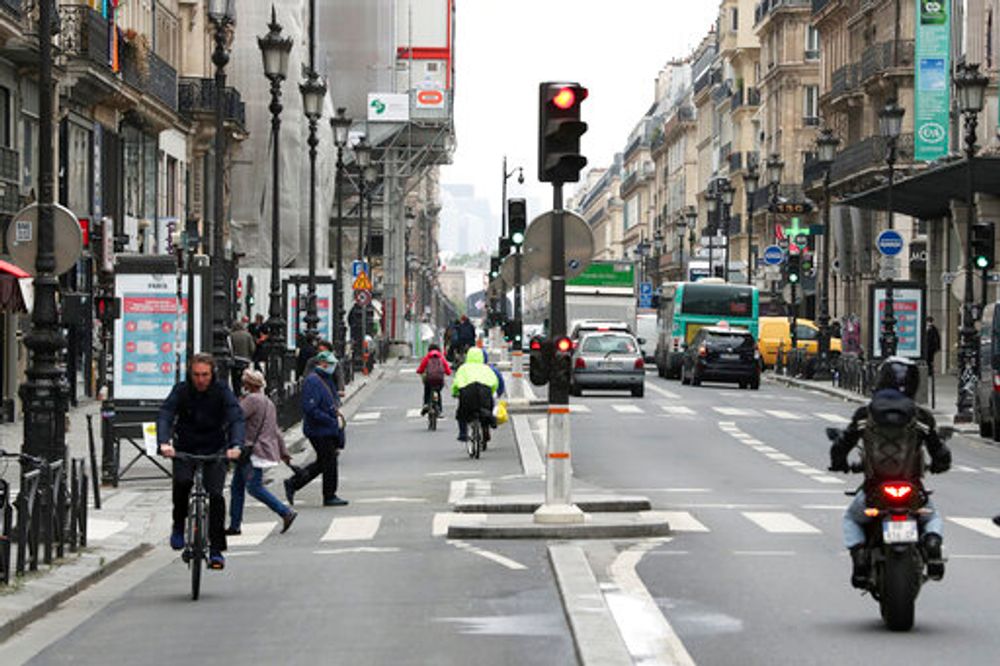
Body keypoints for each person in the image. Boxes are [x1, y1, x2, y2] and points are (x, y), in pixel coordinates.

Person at [828, 356, 952, 588]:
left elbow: (842, 445)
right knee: (931, 516)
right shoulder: (921, 417)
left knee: (852, 518)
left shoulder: (866, 414)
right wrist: (940, 464)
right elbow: (940, 452)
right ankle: (932, 543)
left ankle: (859, 557)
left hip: (874, 490)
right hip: (911, 489)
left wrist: (839, 463)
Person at [157, 353, 245, 571]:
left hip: (215, 448)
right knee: (182, 483)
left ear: (212, 374)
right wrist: (164, 442)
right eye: (196, 375)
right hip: (186, 448)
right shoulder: (181, 390)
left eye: (205, 375)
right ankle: (179, 525)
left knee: (215, 496)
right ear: (190, 374)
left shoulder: (222, 391)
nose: (200, 380)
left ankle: (216, 549)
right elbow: (166, 414)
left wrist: (236, 445)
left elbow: (236, 417)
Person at [227, 369, 297, 536]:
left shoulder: (251, 400)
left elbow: (235, 417)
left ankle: (285, 512)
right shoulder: (268, 402)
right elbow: (275, 430)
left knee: (254, 487)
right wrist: (283, 452)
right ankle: (234, 525)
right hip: (259, 449)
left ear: (248, 385)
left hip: (252, 450)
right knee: (237, 487)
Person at [284, 351, 348, 507]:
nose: (333, 367)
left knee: (324, 462)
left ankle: (294, 483)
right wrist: (330, 420)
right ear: (323, 364)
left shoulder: (325, 378)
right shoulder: (313, 381)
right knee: (329, 461)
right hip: (319, 429)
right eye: (331, 364)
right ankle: (329, 495)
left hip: (326, 427)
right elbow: (310, 408)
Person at [451, 347, 499, 443]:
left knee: (462, 413)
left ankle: (463, 433)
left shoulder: (463, 368)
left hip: (467, 392)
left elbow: (456, 383)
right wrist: (491, 391)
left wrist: (455, 393)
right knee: (486, 410)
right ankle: (487, 426)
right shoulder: (486, 368)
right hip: (484, 391)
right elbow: (494, 382)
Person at [416, 344, 452, 415]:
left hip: (429, 380)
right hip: (439, 380)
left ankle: (426, 404)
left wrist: (420, 372)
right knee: (438, 392)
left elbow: (420, 369)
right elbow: (448, 372)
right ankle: (439, 409)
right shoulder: (441, 358)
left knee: (427, 390)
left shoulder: (427, 357)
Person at [230, 322, 256, 392]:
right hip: (245, 360)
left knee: (235, 378)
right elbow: (252, 348)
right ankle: (244, 389)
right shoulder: (248, 335)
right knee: (244, 376)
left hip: (235, 359)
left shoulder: (232, 335)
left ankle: (237, 391)